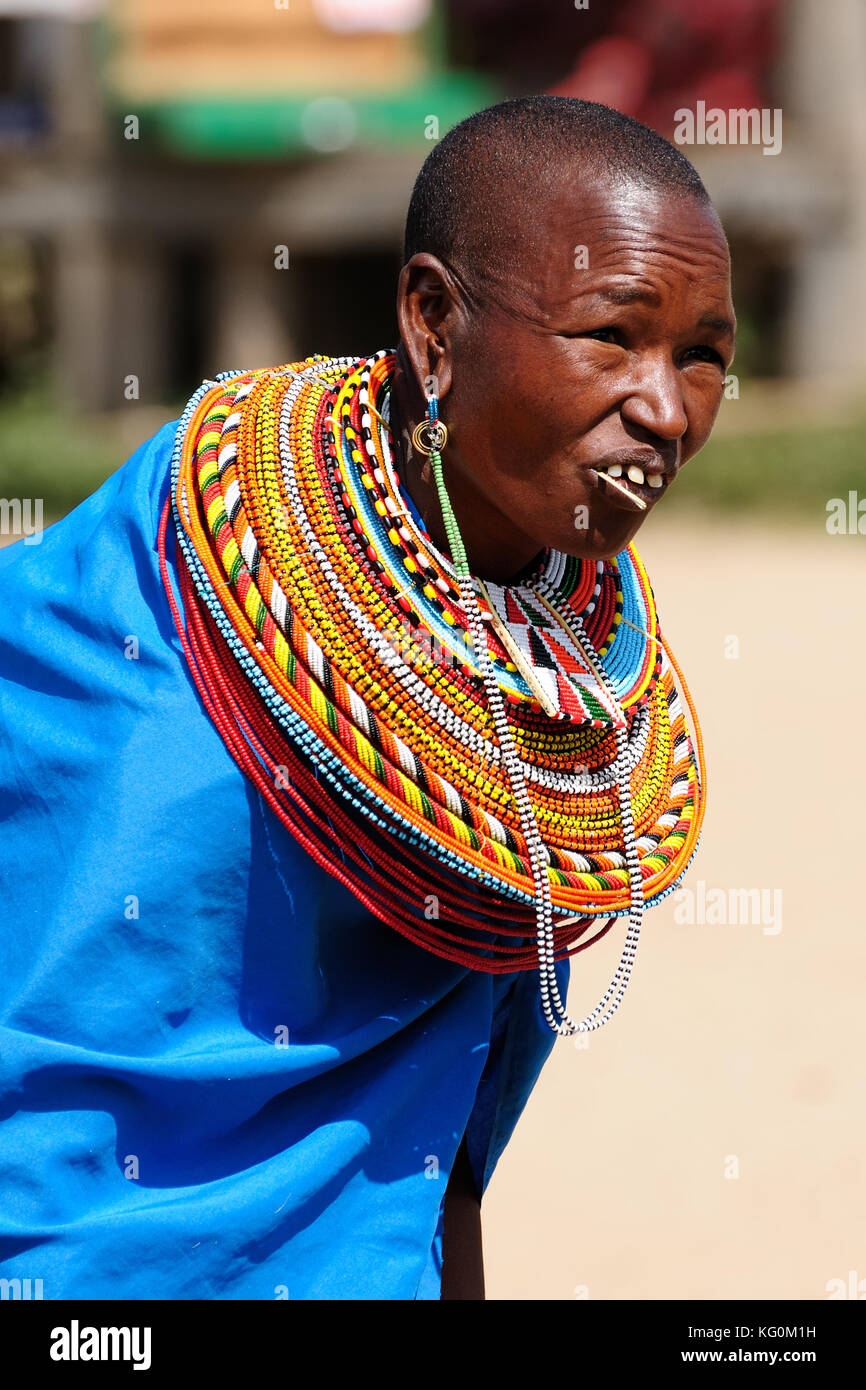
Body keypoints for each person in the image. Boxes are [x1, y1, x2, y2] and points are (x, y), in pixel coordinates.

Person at [0, 95, 734, 1301]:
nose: (664, 410)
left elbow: (445, 1151)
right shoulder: (145, 626)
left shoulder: (550, 667)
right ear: (434, 324)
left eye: (702, 354)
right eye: (610, 336)